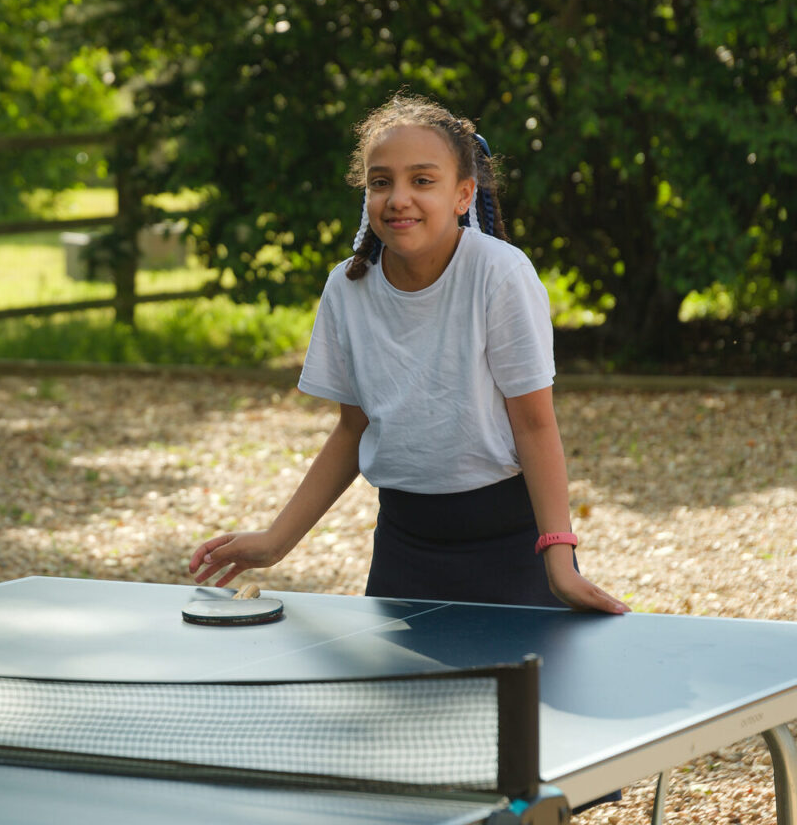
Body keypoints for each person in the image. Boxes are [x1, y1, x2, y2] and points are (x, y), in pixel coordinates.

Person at [189, 91, 626, 614]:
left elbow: (535, 426)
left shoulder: (500, 274)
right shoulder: (346, 288)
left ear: (463, 195)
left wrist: (559, 559)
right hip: (404, 549)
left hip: (510, 549)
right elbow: (354, 430)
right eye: (381, 182)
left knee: (519, 697)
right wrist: (277, 540)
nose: (398, 198)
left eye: (423, 180)